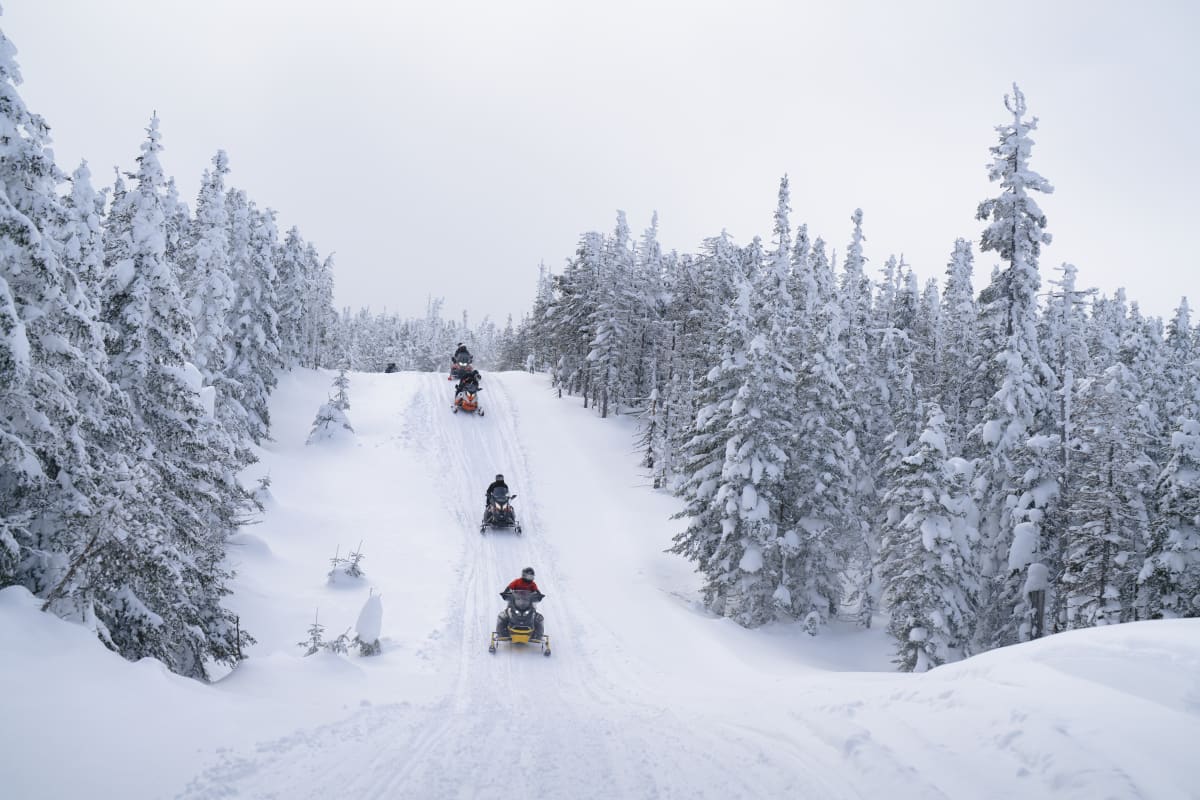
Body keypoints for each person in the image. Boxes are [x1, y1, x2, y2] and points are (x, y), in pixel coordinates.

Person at [496, 566, 544, 641]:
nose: (530, 578)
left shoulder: (533, 584)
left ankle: (537, 635)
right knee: (504, 615)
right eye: (529, 576)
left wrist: (539, 596)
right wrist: (505, 593)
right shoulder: (517, 581)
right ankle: (501, 633)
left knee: (537, 618)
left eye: (532, 576)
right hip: (515, 602)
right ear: (524, 575)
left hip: (528, 604)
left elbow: (536, 590)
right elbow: (509, 587)